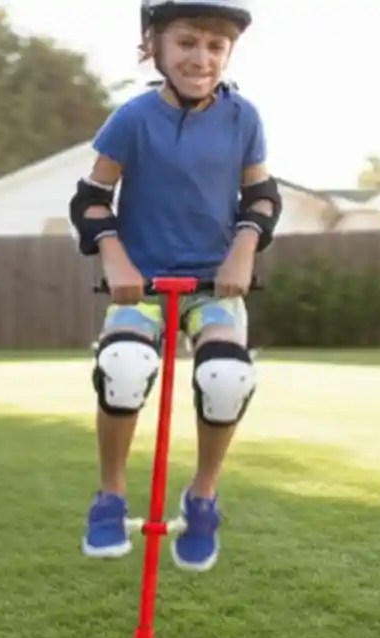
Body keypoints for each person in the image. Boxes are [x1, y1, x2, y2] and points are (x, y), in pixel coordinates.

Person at [67, 0, 281, 572]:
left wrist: (243, 250)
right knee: (125, 367)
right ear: (154, 47)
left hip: (214, 286)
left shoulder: (244, 119)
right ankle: (110, 496)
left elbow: (262, 197)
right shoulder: (133, 119)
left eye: (216, 46)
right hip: (143, 286)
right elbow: (90, 200)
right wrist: (116, 261)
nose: (201, 57)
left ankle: (203, 496)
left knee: (226, 375)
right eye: (187, 42)